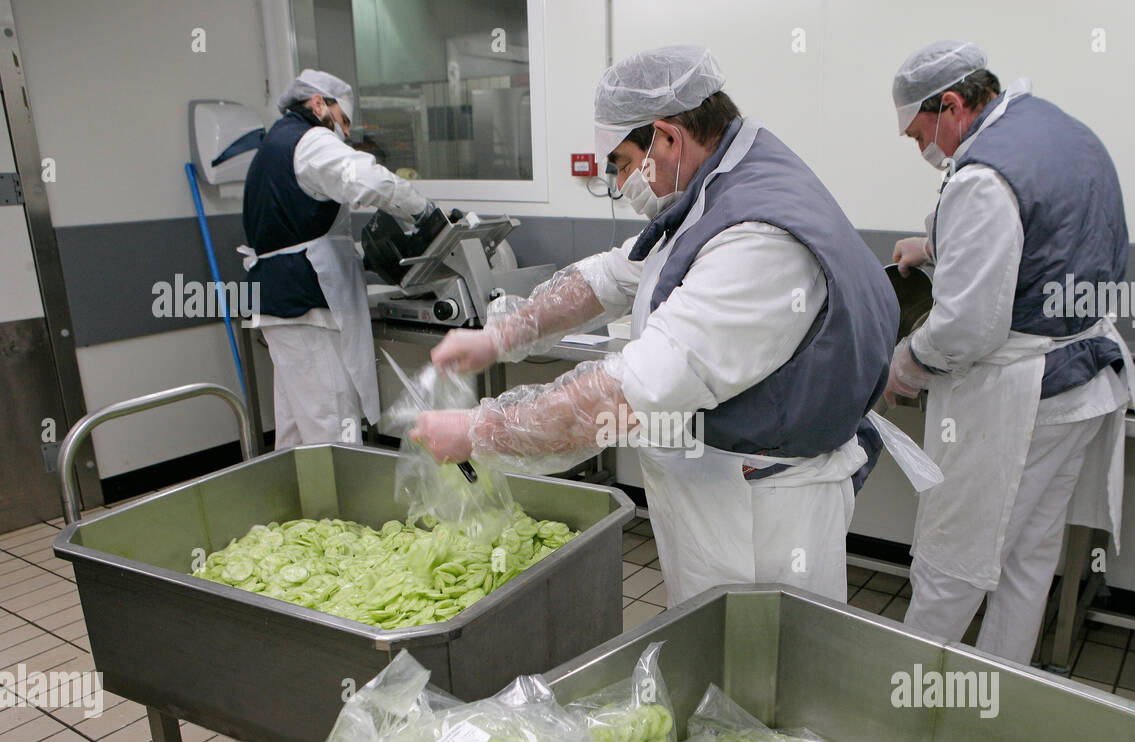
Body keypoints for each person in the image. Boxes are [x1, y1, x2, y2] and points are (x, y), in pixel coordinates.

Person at [410, 46, 903, 608]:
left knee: (756, 668)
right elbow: (612, 275)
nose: (621, 184)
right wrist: (500, 335)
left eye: (621, 163)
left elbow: (629, 396)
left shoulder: (758, 239)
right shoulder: (713, 186)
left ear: (668, 137)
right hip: (717, 493)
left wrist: (480, 430)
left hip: (757, 517)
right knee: (710, 649)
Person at [885, 41, 1135, 665]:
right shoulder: (1061, 132)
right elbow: (1045, 236)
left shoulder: (981, 175)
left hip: (1021, 399)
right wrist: (934, 245)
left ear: (950, 104)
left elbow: (966, 327)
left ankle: (904, 706)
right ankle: (997, 705)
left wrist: (906, 368)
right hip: (1083, 383)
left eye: (920, 131)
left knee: (954, 560)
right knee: (1029, 556)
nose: (922, 147)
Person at [240, 69, 439, 447]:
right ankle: (339, 506)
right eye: (343, 120)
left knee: (298, 426)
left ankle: (301, 503)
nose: (346, 134)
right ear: (318, 104)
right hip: (308, 306)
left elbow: (299, 231)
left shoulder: (275, 144)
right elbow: (371, 181)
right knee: (333, 425)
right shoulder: (310, 140)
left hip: (283, 305)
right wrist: (423, 211)